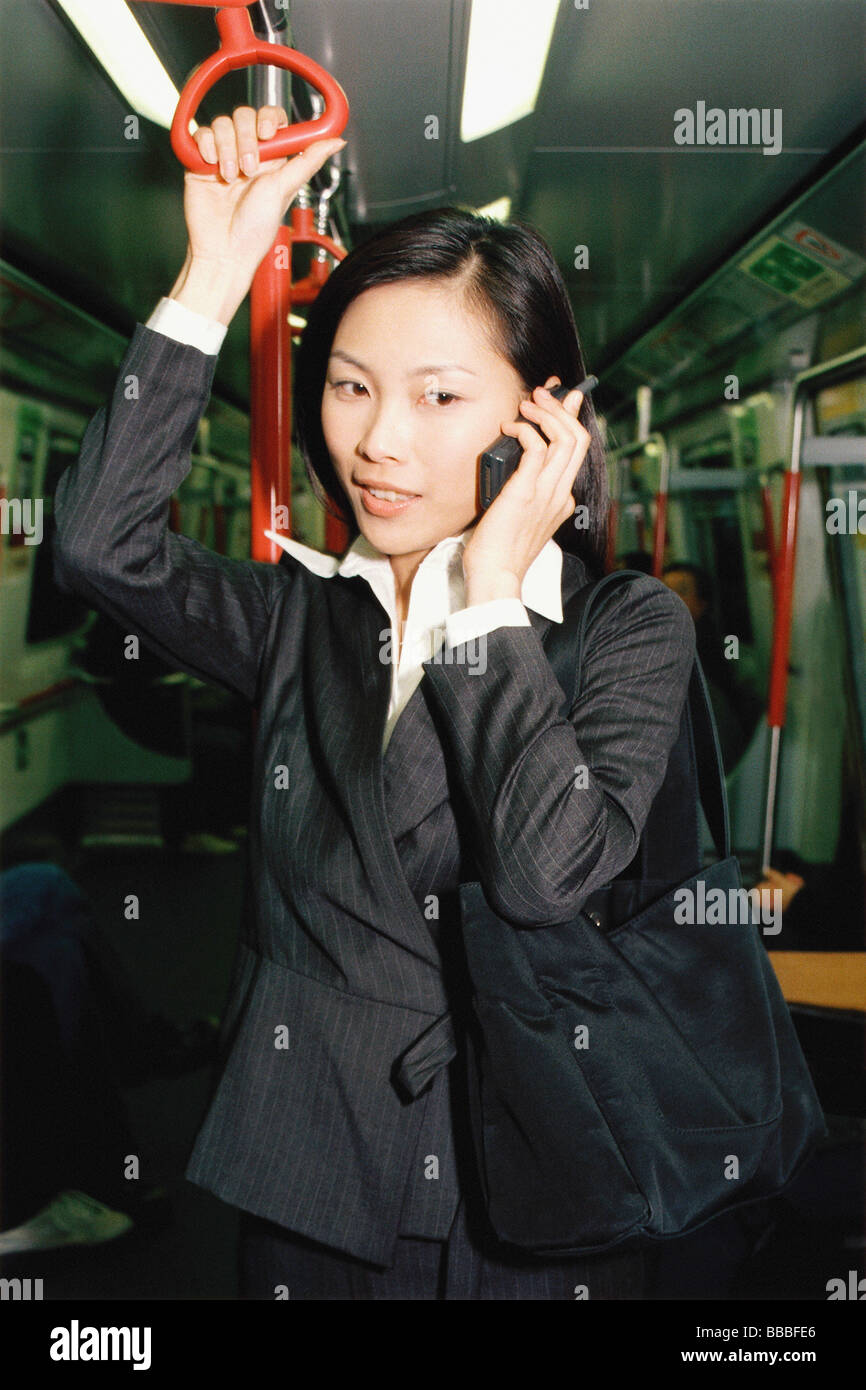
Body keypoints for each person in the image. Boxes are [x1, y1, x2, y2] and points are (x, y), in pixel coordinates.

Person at [52, 106, 696, 1300]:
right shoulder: (305, 617)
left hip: (532, 1173)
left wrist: (490, 594)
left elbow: (549, 872)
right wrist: (214, 269)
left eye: (438, 399)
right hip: (316, 1164)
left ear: (538, 419)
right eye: (350, 387)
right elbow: (98, 547)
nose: (377, 444)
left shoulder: (624, 630)